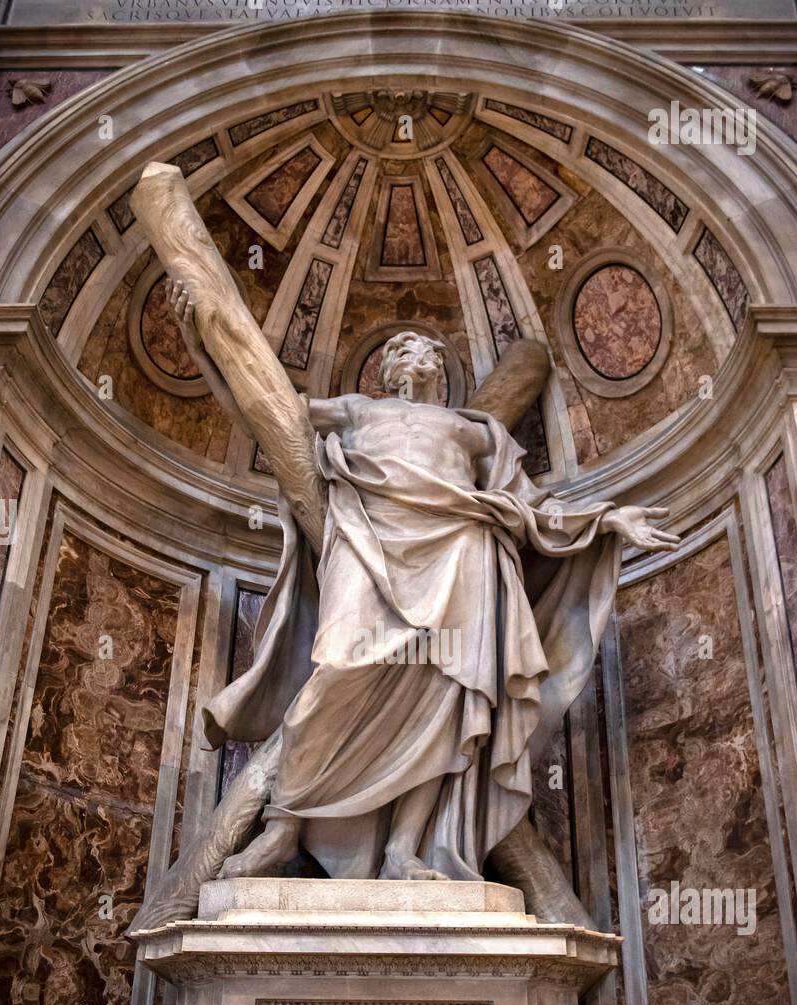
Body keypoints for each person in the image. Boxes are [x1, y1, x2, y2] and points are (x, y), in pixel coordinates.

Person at [168, 281, 679, 881]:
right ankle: (282, 827)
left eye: (429, 351)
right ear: (386, 371)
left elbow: (532, 508)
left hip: (462, 552)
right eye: (405, 350)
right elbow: (259, 407)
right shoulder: (358, 410)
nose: (419, 355)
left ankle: (402, 852)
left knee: (446, 701)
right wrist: (201, 348)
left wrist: (609, 517)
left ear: (442, 372)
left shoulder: (476, 430)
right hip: (369, 543)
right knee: (335, 673)